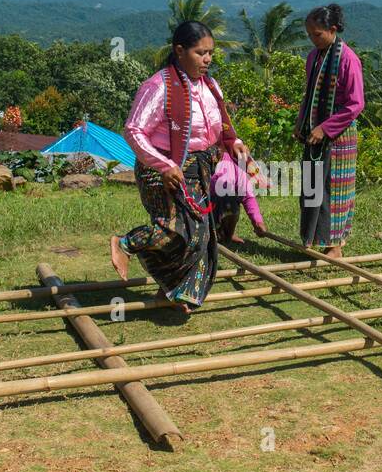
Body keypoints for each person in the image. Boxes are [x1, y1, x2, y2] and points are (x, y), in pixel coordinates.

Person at [110, 20, 251, 313]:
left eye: (210, 52)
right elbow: (134, 131)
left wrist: (233, 142)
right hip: (160, 170)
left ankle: (172, 292)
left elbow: (220, 125)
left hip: (198, 167)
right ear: (179, 51)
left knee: (199, 235)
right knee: (179, 230)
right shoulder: (158, 86)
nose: (208, 59)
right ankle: (126, 242)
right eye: (200, 53)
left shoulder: (211, 86)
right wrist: (163, 165)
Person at [297, 3, 365, 257]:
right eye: (310, 35)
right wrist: (301, 122)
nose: (313, 39)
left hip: (338, 135)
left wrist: (325, 129)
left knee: (334, 188)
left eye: (317, 34)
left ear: (332, 29)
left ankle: (334, 245)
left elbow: (355, 103)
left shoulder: (348, 59)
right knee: (312, 185)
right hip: (314, 132)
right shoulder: (314, 57)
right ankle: (314, 238)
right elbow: (309, 93)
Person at [212, 151, 268, 244]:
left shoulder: (235, 161)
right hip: (202, 204)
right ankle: (213, 233)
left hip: (221, 203)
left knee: (229, 199)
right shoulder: (199, 155)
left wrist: (257, 222)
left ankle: (227, 234)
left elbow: (247, 196)